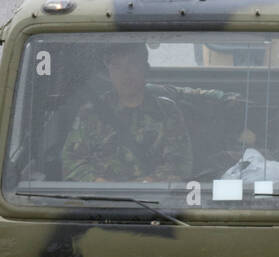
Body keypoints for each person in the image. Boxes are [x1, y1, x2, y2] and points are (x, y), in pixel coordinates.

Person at [62, 42, 193, 182]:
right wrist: (97, 182)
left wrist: (148, 183)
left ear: (145, 68)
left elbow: (179, 163)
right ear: (109, 73)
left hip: (153, 198)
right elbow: (71, 161)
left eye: (133, 64)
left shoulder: (167, 111)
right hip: (99, 198)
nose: (125, 73)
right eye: (117, 66)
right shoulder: (90, 112)